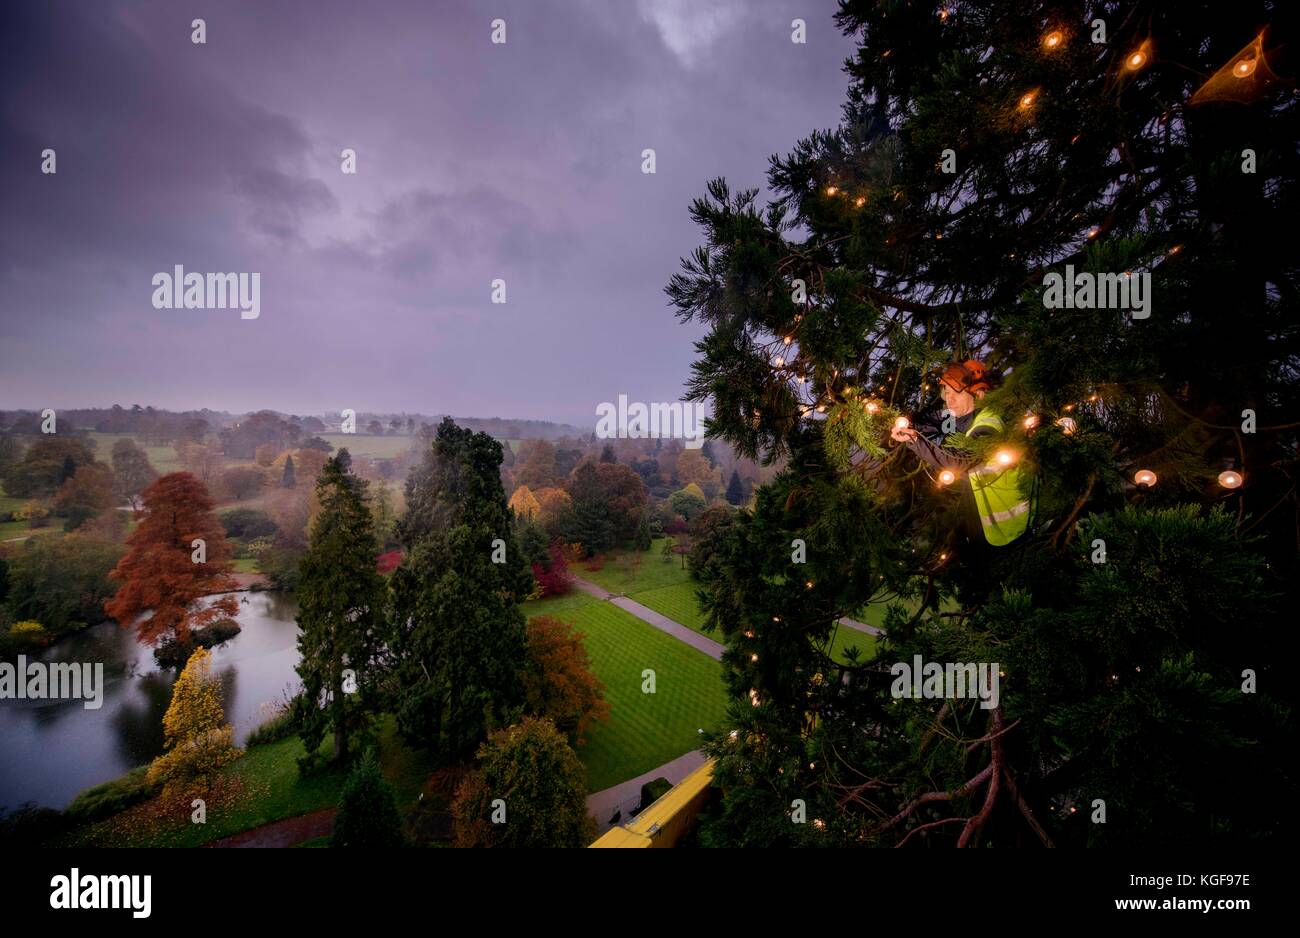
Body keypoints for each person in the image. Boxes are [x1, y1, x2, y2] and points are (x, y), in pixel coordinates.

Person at [890, 360, 1031, 548]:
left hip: (1008, 529)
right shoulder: (953, 416)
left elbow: (956, 461)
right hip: (979, 517)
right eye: (946, 392)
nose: (950, 400)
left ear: (977, 394)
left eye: (957, 393)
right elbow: (928, 420)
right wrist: (907, 420)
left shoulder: (988, 424)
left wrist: (914, 440)